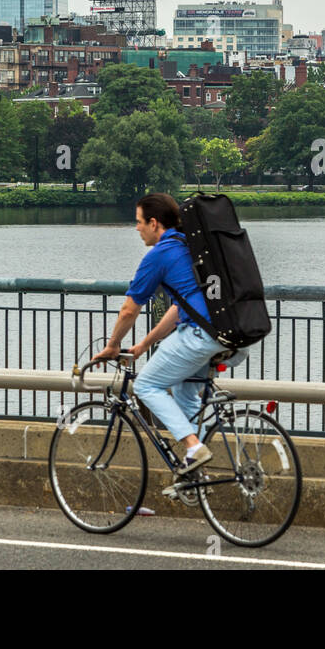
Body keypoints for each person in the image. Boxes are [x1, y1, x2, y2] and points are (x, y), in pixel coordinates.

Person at [94, 193, 245, 484]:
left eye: (139, 222)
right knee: (185, 391)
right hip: (232, 329)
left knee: (146, 385)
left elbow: (129, 310)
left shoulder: (161, 253)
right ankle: (197, 470)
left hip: (202, 334)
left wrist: (113, 346)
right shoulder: (192, 245)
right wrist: (144, 345)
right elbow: (179, 308)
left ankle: (194, 448)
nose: (136, 228)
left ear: (154, 223)